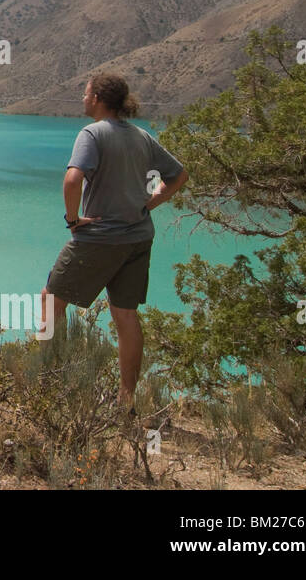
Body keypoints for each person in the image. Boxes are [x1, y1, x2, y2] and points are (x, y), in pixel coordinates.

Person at [40, 72, 188, 412]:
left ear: (98, 99)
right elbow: (179, 175)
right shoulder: (141, 136)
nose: (82, 99)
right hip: (138, 237)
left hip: (102, 238)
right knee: (125, 315)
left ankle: (49, 384)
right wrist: (150, 203)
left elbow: (72, 178)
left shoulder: (91, 134)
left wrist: (73, 220)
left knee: (50, 300)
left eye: (86, 93)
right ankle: (126, 400)